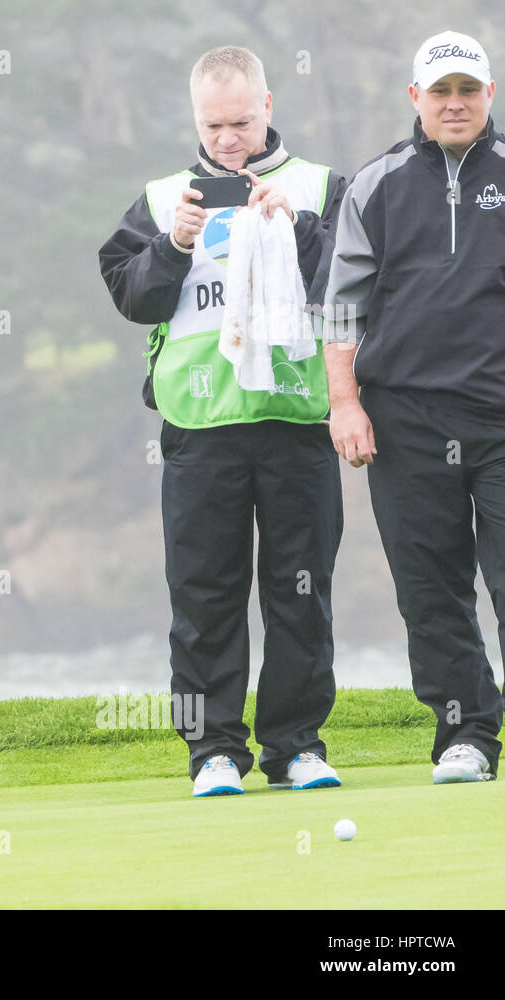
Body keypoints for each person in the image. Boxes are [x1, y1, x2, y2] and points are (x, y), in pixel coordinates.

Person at [99, 46, 348, 797]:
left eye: (242, 121)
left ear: (268, 106)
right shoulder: (159, 198)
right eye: (214, 125)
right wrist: (173, 244)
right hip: (200, 424)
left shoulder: (321, 186)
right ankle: (212, 751)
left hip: (297, 419)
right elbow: (131, 296)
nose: (229, 139)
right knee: (203, 594)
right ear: (195, 118)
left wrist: (298, 225)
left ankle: (296, 744)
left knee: (299, 590)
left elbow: (353, 283)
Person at [323, 31, 505, 785]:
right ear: (415, 99)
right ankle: (465, 733)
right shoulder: (378, 184)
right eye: (442, 92)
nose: (455, 103)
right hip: (403, 423)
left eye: (469, 90)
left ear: (489, 95)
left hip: (500, 419)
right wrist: (345, 403)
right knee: (430, 587)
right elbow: (340, 309)